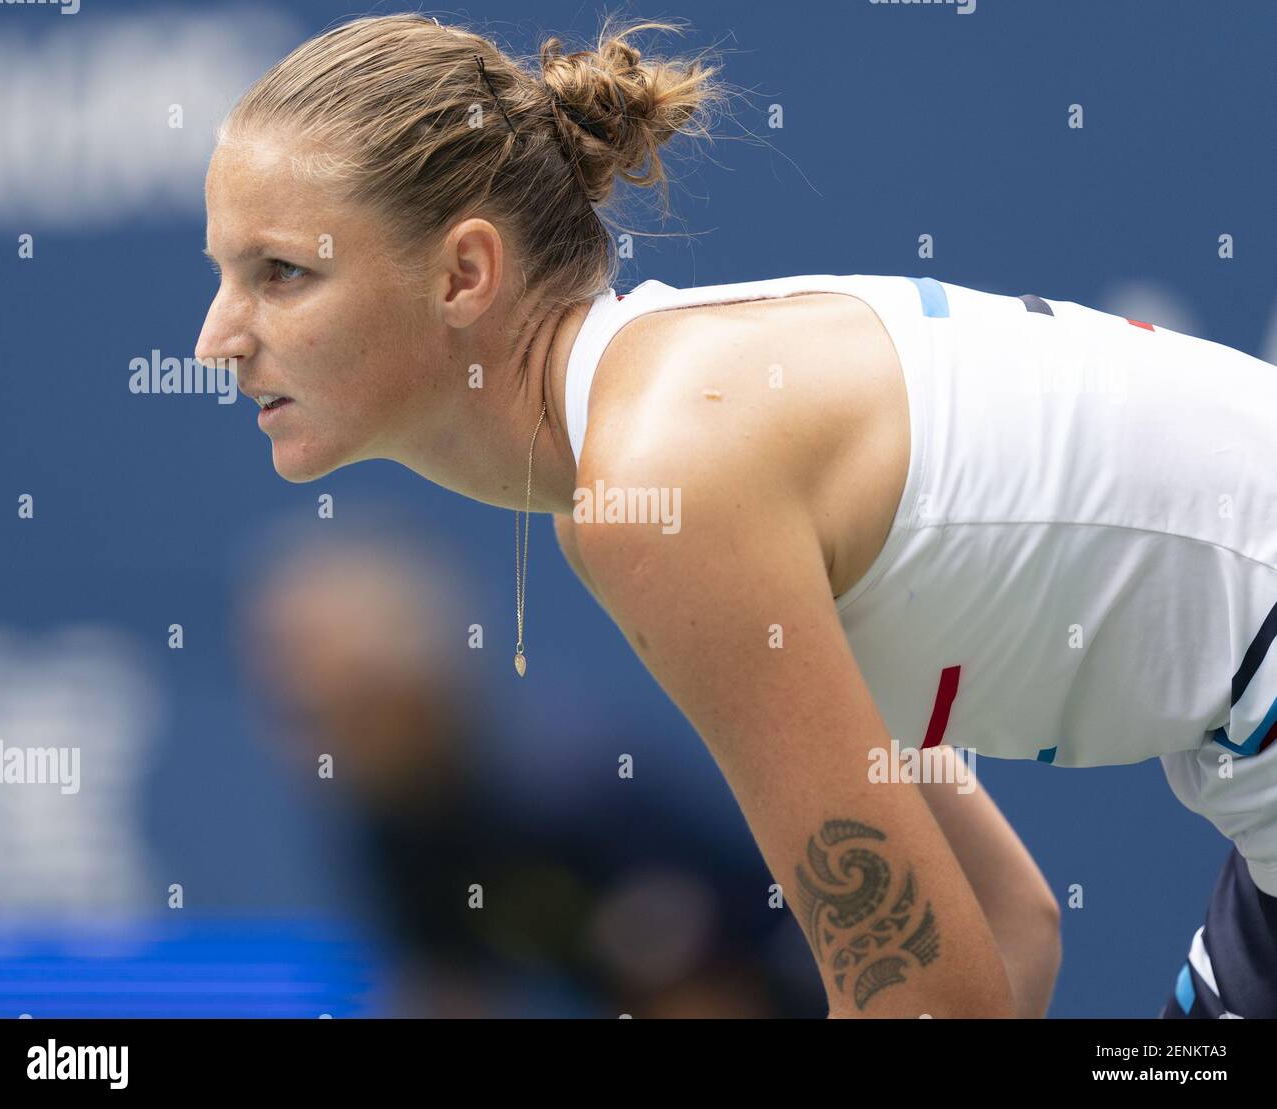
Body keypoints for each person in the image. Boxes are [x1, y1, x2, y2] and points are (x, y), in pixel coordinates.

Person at [194, 12, 1275, 1018]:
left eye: (281, 273)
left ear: (466, 272)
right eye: (225, 276)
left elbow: (934, 1003)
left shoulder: (659, 489)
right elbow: (1004, 927)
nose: (217, 336)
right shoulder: (655, 458)